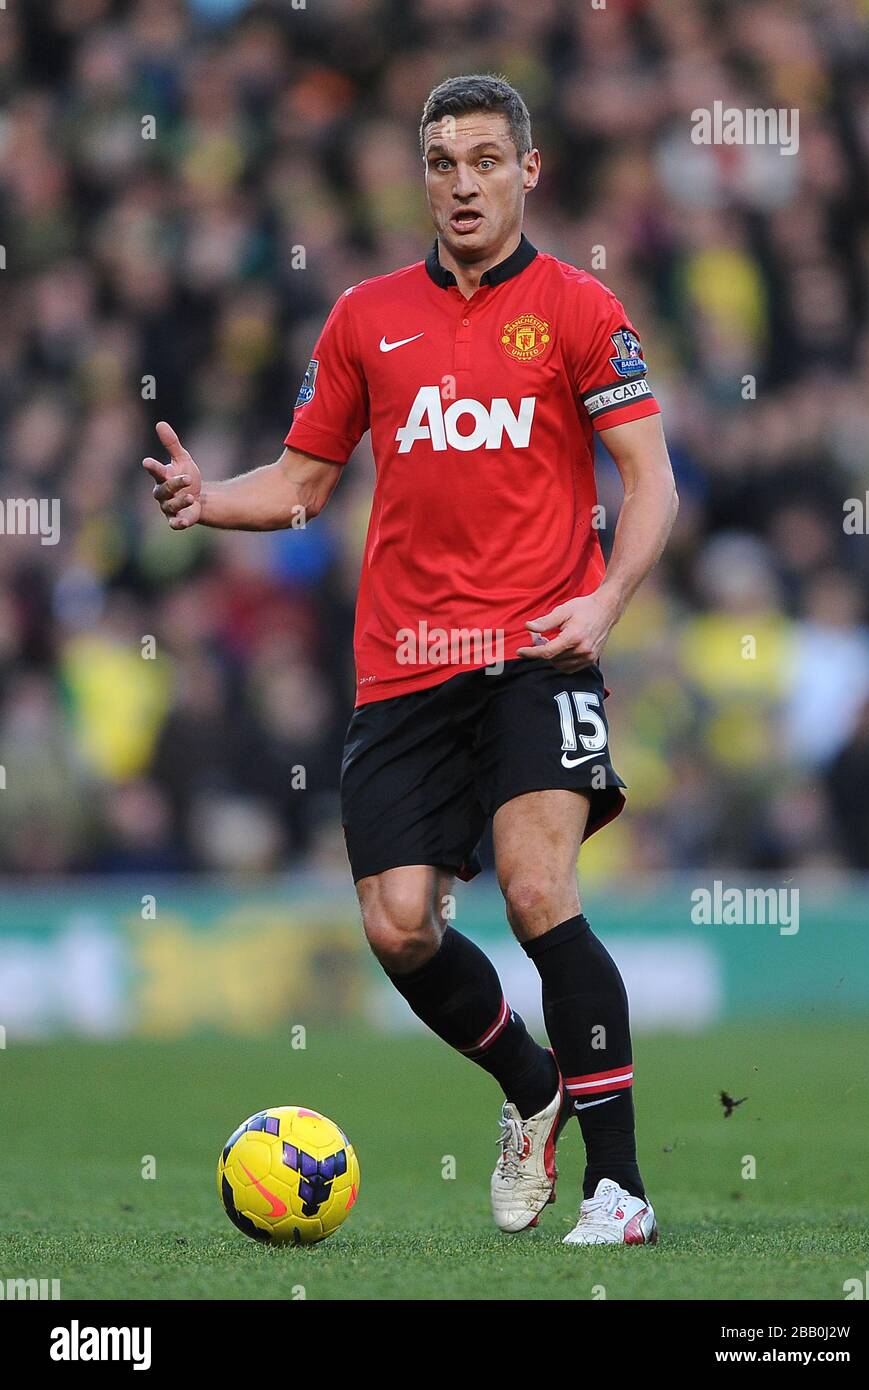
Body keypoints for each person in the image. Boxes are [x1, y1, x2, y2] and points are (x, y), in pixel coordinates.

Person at [144, 74, 678, 1245]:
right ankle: (533, 1089)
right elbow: (301, 484)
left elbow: (651, 480)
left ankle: (618, 1188)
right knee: (399, 926)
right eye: (442, 163)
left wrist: (604, 603)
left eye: (486, 160)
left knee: (540, 890)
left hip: (540, 647)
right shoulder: (364, 318)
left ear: (528, 171)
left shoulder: (583, 310)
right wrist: (204, 500)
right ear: (421, 178)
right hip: (404, 665)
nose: (463, 183)